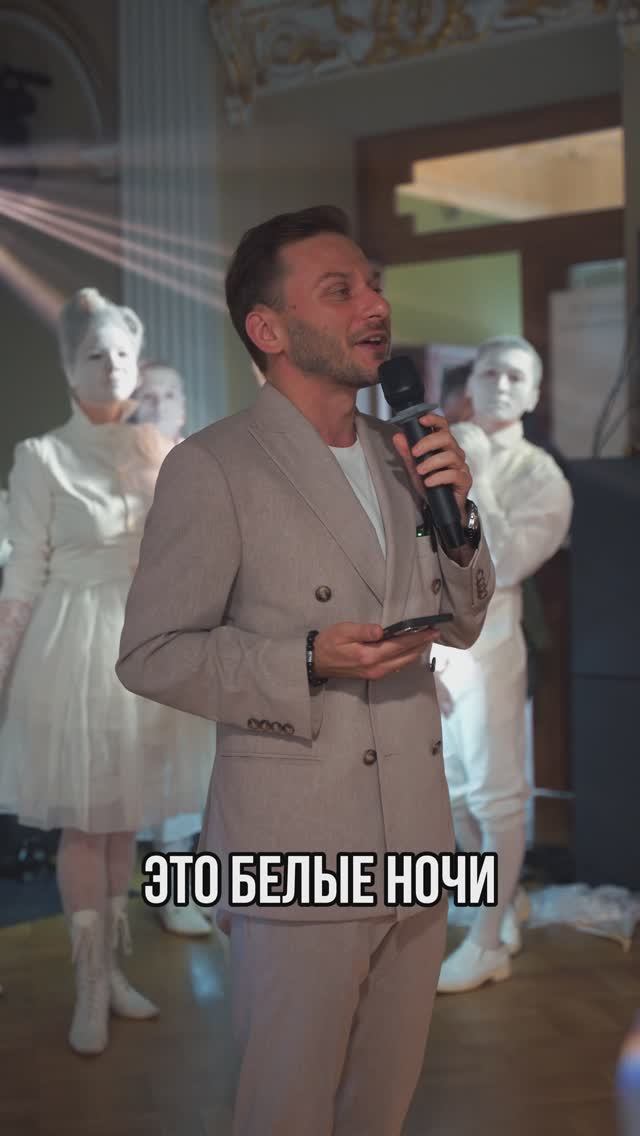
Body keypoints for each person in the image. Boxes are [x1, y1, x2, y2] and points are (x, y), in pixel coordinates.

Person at [116, 205, 495, 1136]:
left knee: (381, 1111)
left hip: (416, 840)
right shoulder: (214, 467)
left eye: (374, 285)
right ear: (269, 328)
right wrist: (304, 659)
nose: (375, 305)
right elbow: (151, 653)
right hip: (294, 847)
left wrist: (461, 516)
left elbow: (465, 621)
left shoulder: (407, 456)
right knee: (284, 1112)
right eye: (341, 290)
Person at [0, 288, 215, 1055]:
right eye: (95, 354)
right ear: (70, 367)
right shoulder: (42, 457)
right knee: (85, 824)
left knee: (124, 815)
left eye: (123, 353)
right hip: (72, 647)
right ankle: (89, 981)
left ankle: (116, 969)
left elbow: (194, 557)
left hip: (145, 644)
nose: (113, 365)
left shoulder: (163, 451)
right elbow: (24, 571)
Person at [434, 335, 573, 993]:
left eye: (517, 376)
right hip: (431, 639)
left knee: (496, 791)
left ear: (534, 394)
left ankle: (488, 940)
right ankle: (498, 901)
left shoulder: (541, 475)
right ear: (470, 383)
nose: (501, 384)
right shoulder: (437, 450)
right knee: (452, 787)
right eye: (490, 371)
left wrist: (479, 474)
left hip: (492, 640)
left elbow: (508, 562)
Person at [132, 359, 214, 937]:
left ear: (183, 407)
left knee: (196, 763)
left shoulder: (203, 463)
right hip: (130, 625)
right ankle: (155, 887)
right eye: (148, 393)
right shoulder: (113, 466)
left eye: (169, 394)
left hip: (198, 626)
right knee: (148, 762)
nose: (158, 403)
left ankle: (190, 885)